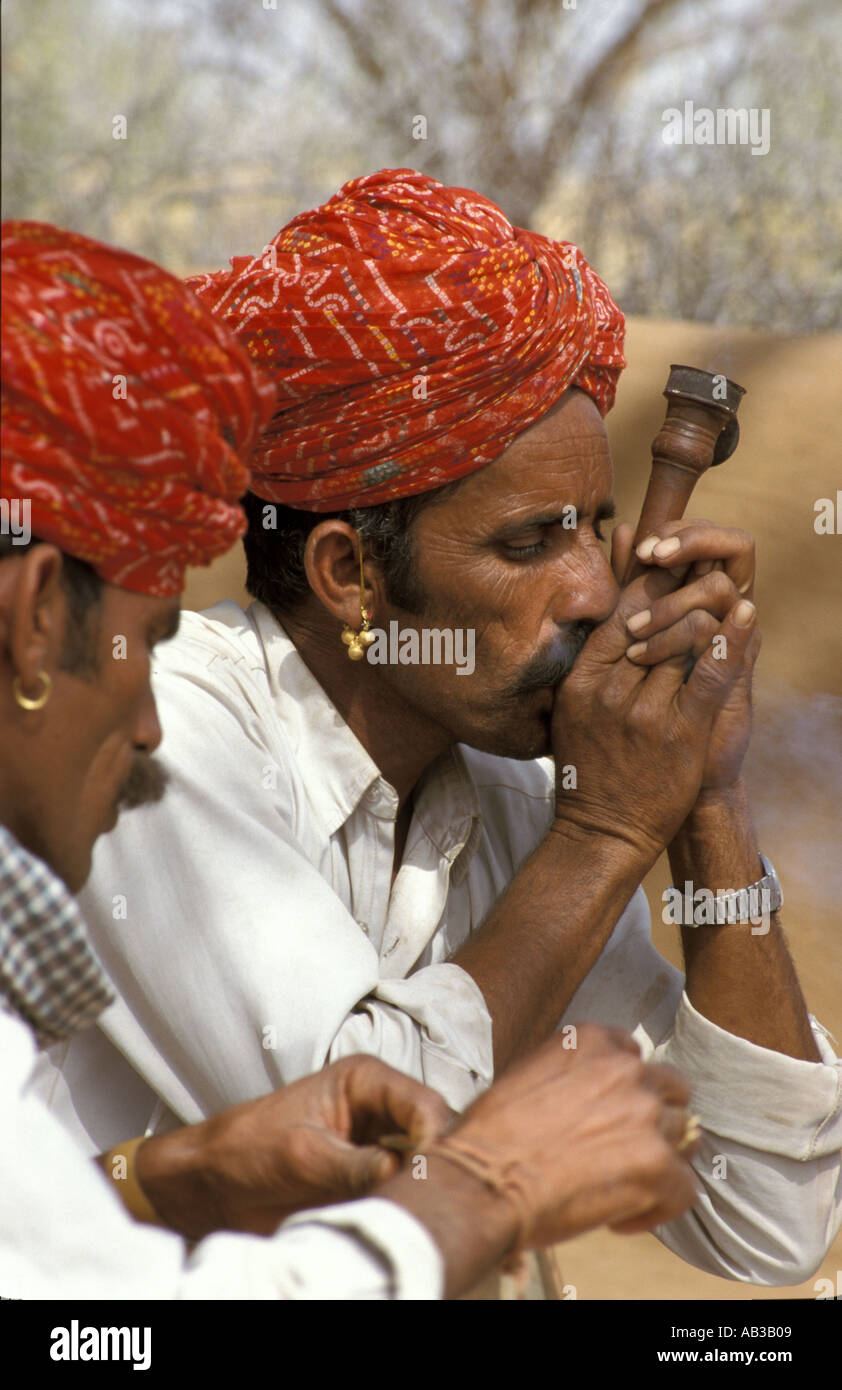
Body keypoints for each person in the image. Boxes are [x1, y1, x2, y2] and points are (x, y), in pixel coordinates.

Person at [38, 172, 842, 1286]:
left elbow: (763, 1223)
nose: (590, 595)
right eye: (526, 546)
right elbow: (371, 1136)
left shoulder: (511, 797)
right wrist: (608, 832)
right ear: (350, 576)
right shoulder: (155, 738)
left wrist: (704, 801)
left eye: (594, 531)